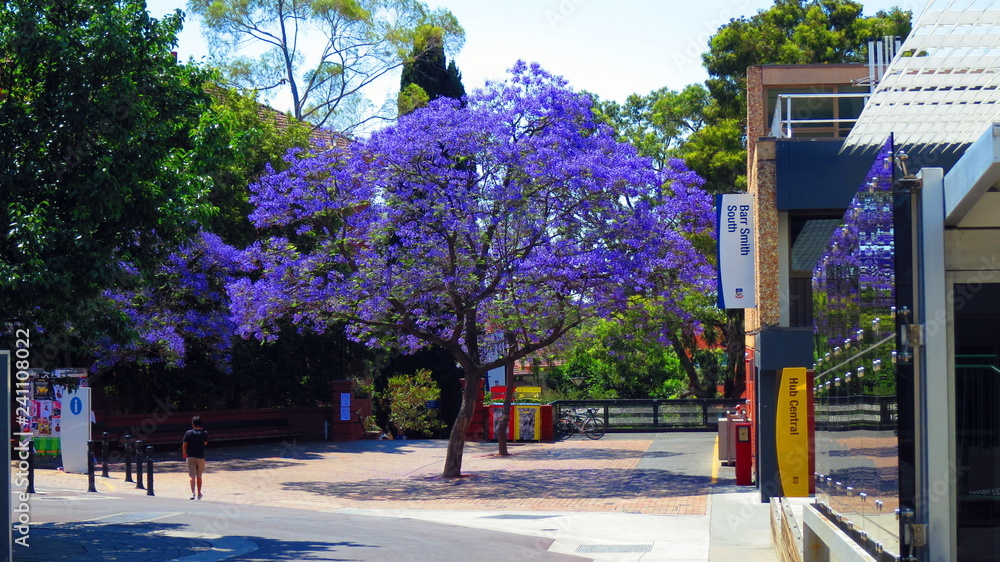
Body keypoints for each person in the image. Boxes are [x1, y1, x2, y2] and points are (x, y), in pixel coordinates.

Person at [181, 416, 209, 500]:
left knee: (192, 476)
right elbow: (205, 443)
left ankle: (193, 493)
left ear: (193, 424)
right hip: (200, 456)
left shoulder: (188, 433)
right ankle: (199, 493)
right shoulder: (204, 433)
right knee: (199, 476)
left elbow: (184, 445)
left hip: (190, 456)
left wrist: (184, 453)